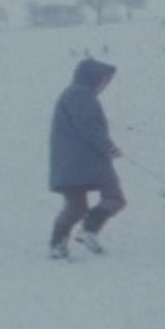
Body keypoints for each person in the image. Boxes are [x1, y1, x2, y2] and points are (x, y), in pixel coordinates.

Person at [48, 58, 126, 259]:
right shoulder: (80, 94)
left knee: (76, 205)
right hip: (85, 160)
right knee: (114, 197)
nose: (106, 86)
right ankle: (88, 230)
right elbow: (88, 126)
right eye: (105, 81)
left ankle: (59, 243)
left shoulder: (76, 93)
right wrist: (107, 146)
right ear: (94, 78)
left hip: (70, 162)